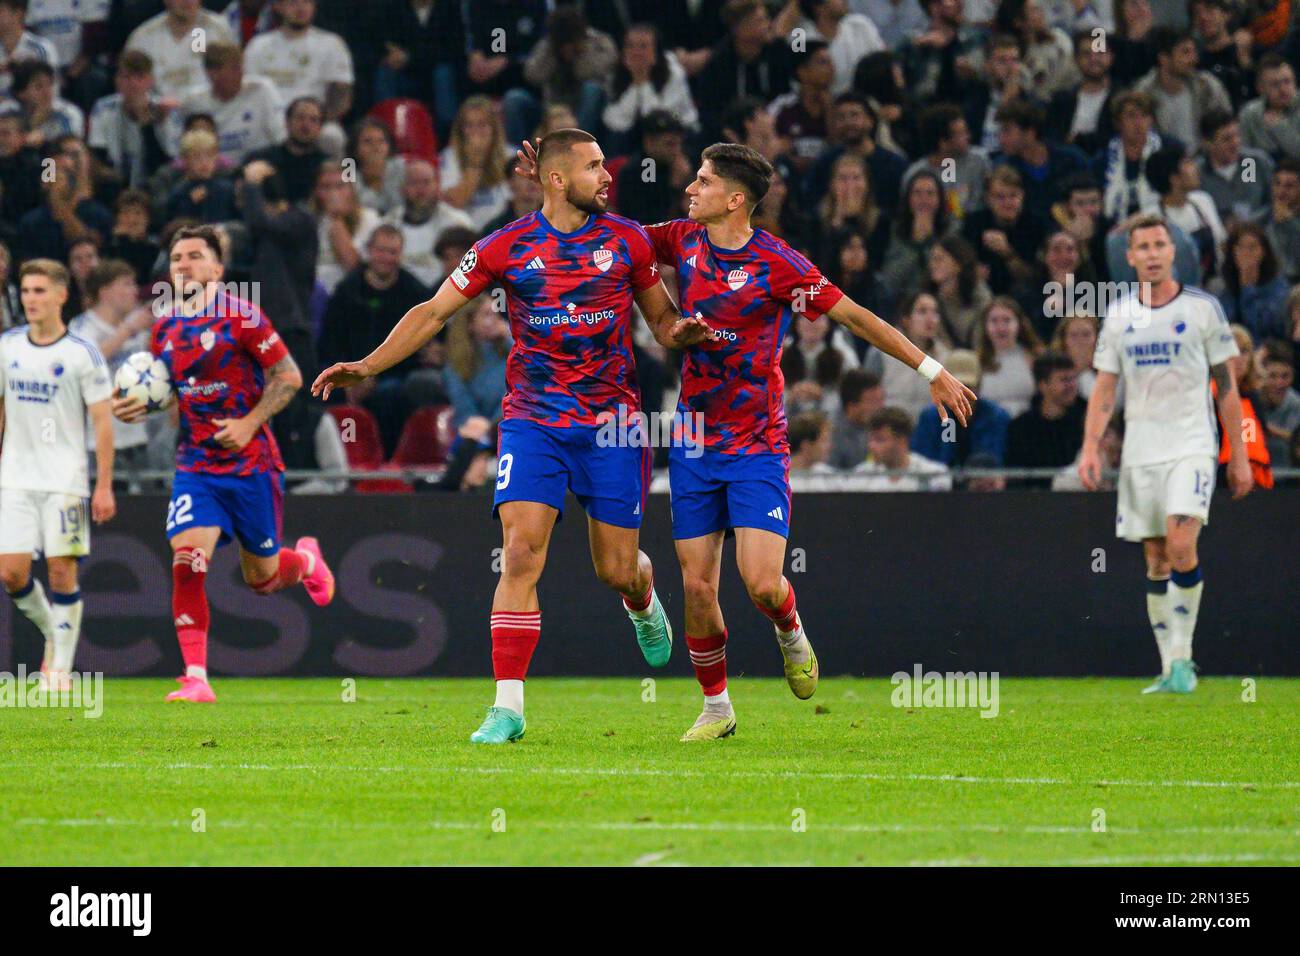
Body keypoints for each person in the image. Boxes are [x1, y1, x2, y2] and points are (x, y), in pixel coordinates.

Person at [312, 128, 712, 745]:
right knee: (522, 550)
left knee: (616, 569)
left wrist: (685, 331)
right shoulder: (505, 246)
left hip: (612, 426)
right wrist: (369, 364)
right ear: (556, 180)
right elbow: (433, 313)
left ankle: (641, 593)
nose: (608, 176)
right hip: (533, 420)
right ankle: (508, 708)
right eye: (595, 166)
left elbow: (660, 322)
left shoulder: (627, 240)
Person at [630, 141, 973, 741]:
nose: (691, 189)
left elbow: (857, 318)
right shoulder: (680, 238)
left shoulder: (778, 264)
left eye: (704, 182)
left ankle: (790, 632)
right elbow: (614, 237)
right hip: (692, 438)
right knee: (696, 584)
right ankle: (717, 708)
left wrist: (931, 369)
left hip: (757, 442)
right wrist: (557, 191)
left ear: (735, 200)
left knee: (761, 582)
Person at [112, 225, 336, 703]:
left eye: (195, 256)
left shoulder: (244, 318)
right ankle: (197, 677)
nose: (184, 265)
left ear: (217, 268)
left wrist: (250, 422)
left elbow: (289, 376)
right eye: (176, 259)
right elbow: (169, 388)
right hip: (196, 467)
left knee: (264, 579)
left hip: (252, 464)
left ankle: (308, 561)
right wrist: (138, 404)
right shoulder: (165, 329)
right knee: (187, 564)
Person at [1080, 212, 1252, 696]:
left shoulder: (1203, 309)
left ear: (1173, 251)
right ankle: (1170, 668)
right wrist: (1091, 447)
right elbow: (1105, 390)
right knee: (1155, 560)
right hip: (1140, 451)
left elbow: (1227, 388)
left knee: (1181, 545)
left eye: (1160, 244)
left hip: (1192, 445)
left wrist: (1237, 455)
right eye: (1144, 247)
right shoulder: (1118, 316)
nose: (1153, 254)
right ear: (1130, 256)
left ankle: (1184, 659)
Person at [0, 258, 114, 690]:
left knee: (62, 572)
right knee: (10, 573)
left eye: (40, 291)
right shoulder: (8, 346)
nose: (31, 299)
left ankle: (60, 670)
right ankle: (54, 632)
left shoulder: (81, 353)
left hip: (65, 479)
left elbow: (102, 423)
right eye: (26, 291)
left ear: (62, 296)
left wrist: (102, 485)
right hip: (14, 478)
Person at [67, 259, 154, 488]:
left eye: (134, 284)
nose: (134, 291)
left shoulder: (136, 327)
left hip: (137, 437)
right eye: (126, 284)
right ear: (105, 292)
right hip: (95, 442)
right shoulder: (82, 326)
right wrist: (128, 330)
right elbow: (87, 363)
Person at [243, 0, 353, 154]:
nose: (301, 8)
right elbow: (248, 92)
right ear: (278, 6)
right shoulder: (258, 46)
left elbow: (342, 96)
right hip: (269, 120)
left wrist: (316, 121)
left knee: (333, 136)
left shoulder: (332, 44)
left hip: (315, 119)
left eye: (307, 2)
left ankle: (333, 177)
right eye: (293, 2)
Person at [383, 157, 474, 287]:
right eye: (413, 183)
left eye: (426, 182)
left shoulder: (458, 222)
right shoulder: (388, 224)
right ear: (402, 189)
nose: (420, 190)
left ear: (437, 185)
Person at [911, 348, 1010, 465]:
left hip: (982, 482)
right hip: (939, 482)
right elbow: (922, 462)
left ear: (978, 385)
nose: (961, 393)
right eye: (954, 386)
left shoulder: (995, 417)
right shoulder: (930, 418)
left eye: (968, 386)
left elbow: (996, 461)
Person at [125, 0, 237, 100]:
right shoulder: (143, 37)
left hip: (209, 113)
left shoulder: (219, 30)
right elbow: (130, 85)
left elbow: (234, 78)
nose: (187, 1)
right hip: (158, 116)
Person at [1005, 349, 1086, 469]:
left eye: (1074, 379)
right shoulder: (1022, 428)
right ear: (1043, 385)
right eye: (1064, 380)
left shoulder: (1087, 419)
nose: (1072, 385)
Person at [975, 295, 1043, 417]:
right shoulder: (976, 361)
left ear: (1019, 324)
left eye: (1007, 320)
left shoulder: (1034, 357)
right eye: (994, 321)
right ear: (985, 326)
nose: (1000, 328)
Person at [854, 405, 952, 490]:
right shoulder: (860, 477)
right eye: (870, 440)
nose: (871, 446)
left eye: (880, 440)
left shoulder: (933, 476)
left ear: (902, 441)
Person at [829, 367, 883, 468]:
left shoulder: (883, 428)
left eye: (881, 400)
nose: (880, 407)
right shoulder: (830, 434)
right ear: (852, 406)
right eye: (872, 401)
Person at [1257, 341, 1300, 467]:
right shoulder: (1251, 401)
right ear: (1262, 377)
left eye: (1285, 376)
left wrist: (1264, 427)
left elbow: (1297, 442)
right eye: (1272, 376)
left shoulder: (1296, 404)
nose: (1279, 383)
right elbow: (1247, 438)